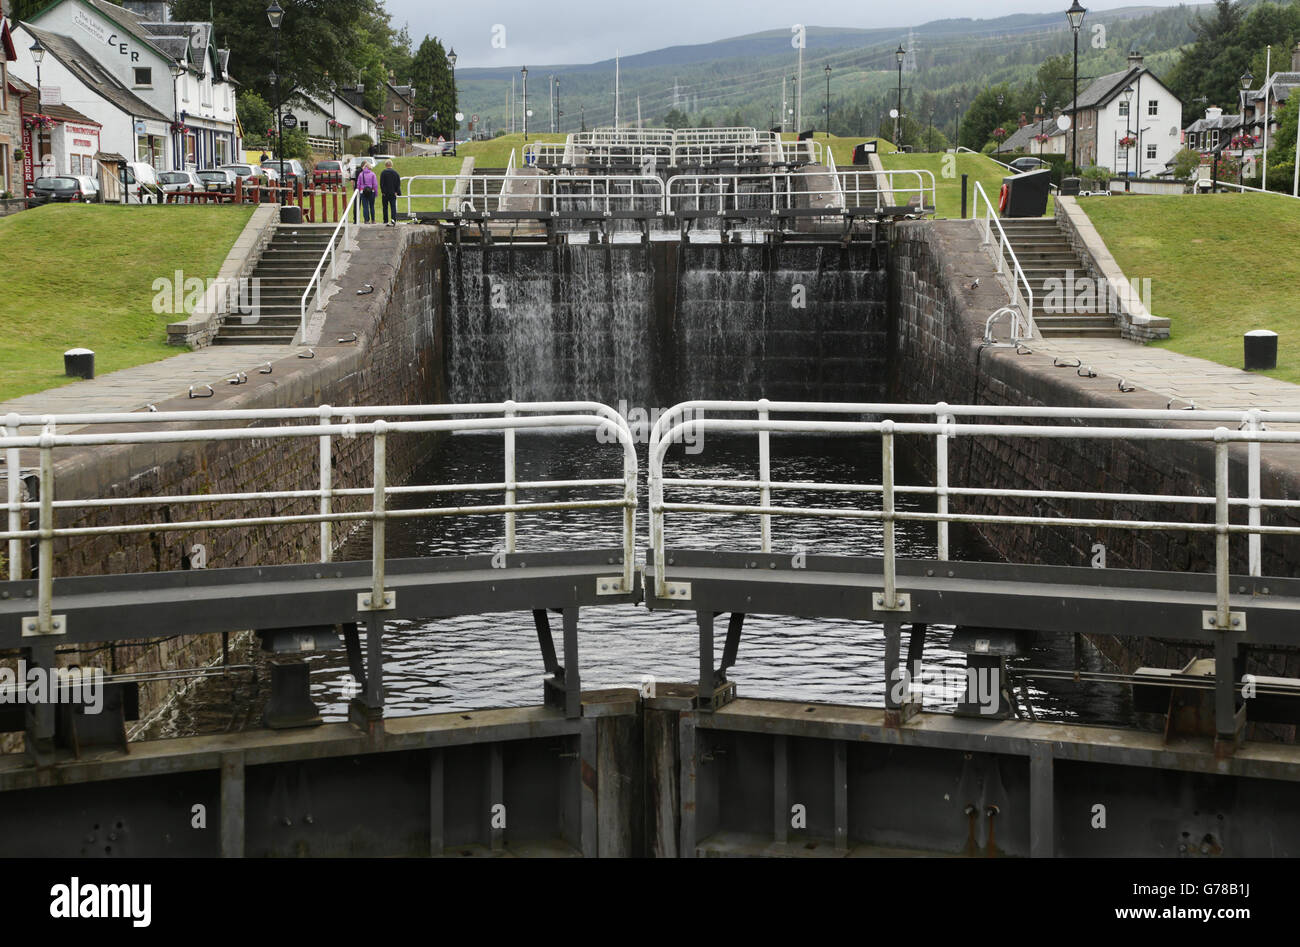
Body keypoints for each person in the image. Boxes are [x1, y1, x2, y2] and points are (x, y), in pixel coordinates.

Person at [379, 159, 401, 226]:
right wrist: (397, 191)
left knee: (385, 207)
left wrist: (383, 191)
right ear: (391, 165)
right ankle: (393, 219)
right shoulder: (395, 173)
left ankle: (385, 220)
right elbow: (398, 183)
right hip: (393, 192)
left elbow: (381, 183)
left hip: (385, 193)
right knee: (393, 206)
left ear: (385, 165)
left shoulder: (383, 173)